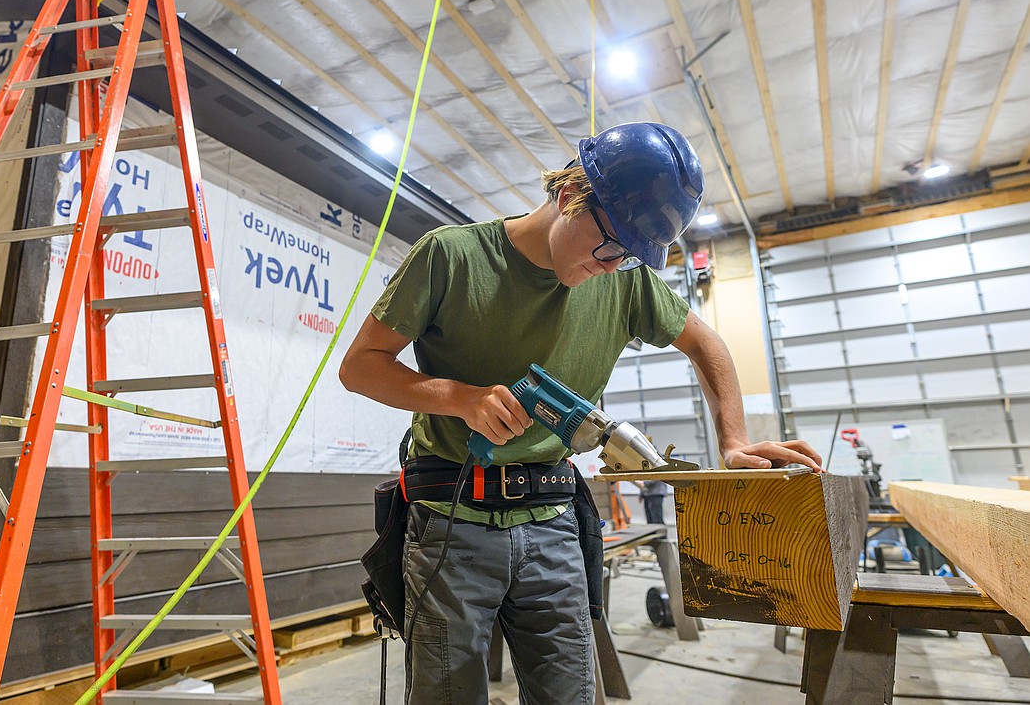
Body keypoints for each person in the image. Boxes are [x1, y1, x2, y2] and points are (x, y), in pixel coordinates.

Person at [339, 122, 822, 704]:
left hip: (553, 523)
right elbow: (360, 367)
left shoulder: (625, 280)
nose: (614, 266)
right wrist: (459, 398)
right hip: (450, 522)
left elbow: (708, 345)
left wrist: (735, 442)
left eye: (629, 256)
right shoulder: (452, 255)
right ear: (570, 197)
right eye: (611, 246)